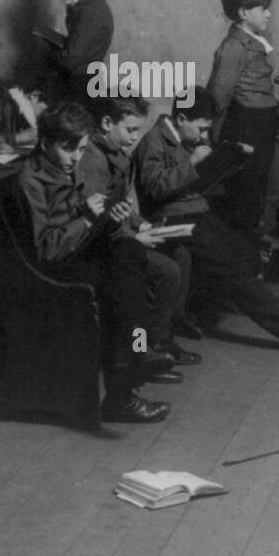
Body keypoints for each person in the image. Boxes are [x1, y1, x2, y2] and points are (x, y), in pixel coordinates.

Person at [134, 90, 279, 352]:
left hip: (196, 211)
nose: (204, 136)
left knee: (246, 254)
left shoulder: (184, 137)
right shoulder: (153, 141)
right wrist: (193, 164)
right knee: (231, 267)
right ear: (182, 118)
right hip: (172, 219)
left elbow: (196, 184)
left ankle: (195, 312)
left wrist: (225, 164)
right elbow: (154, 189)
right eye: (201, 128)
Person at [17, 101, 170, 424]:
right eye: (68, 148)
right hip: (54, 267)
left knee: (128, 254)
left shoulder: (65, 165)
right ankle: (128, 382)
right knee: (125, 287)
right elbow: (46, 249)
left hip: (79, 251)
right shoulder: (30, 180)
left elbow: (79, 219)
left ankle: (133, 367)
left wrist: (105, 217)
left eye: (81, 149)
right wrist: (87, 218)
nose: (75, 158)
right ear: (45, 143)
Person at [79, 97, 201, 379]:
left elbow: (121, 205)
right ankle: (145, 351)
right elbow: (97, 218)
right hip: (102, 244)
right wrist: (134, 237)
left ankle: (161, 339)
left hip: (119, 234)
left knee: (180, 253)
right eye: (131, 129)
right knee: (166, 270)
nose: (135, 137)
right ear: (107, 123)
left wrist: (141, 223)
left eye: (138, 130)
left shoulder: (117, 154)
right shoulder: (91, 160)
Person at [207, 0, 279, 235]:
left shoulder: (251, 43)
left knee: (256, 187)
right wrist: (215, 138)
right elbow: (218, 96)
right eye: (262, 8)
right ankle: (239, 252)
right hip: (246, 125)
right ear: (243, 13)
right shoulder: (234, 47)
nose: (268, 13)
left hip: (261, 123)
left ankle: (247, 246)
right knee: (243, 192)